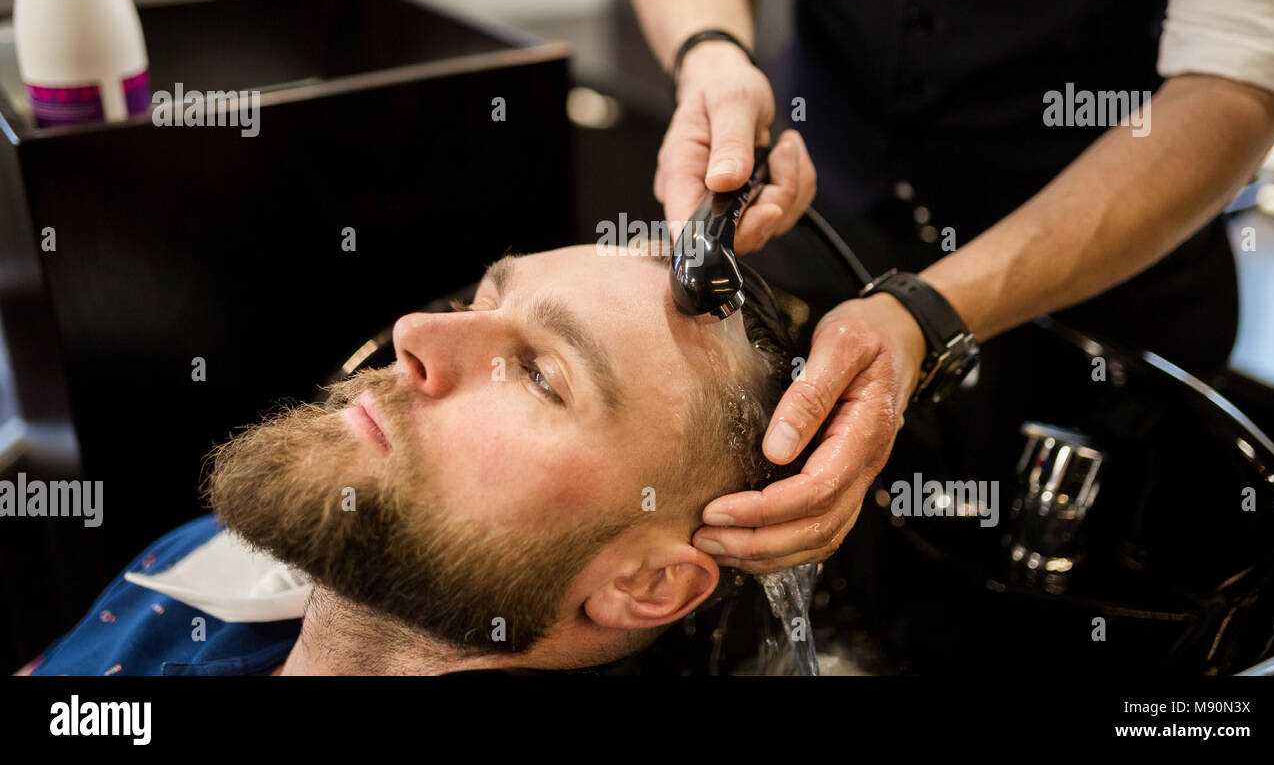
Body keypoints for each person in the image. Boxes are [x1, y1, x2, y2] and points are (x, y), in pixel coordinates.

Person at [619, 0, 1274, 573]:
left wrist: (928, 315)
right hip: (825, 227)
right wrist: (710, 54)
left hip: (1100, 307)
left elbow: (1236, 80)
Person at [24, 244, 796, 676]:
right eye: (477, 303)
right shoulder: (209, 564)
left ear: (646, 584)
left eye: (536, 374)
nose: (413, 332)